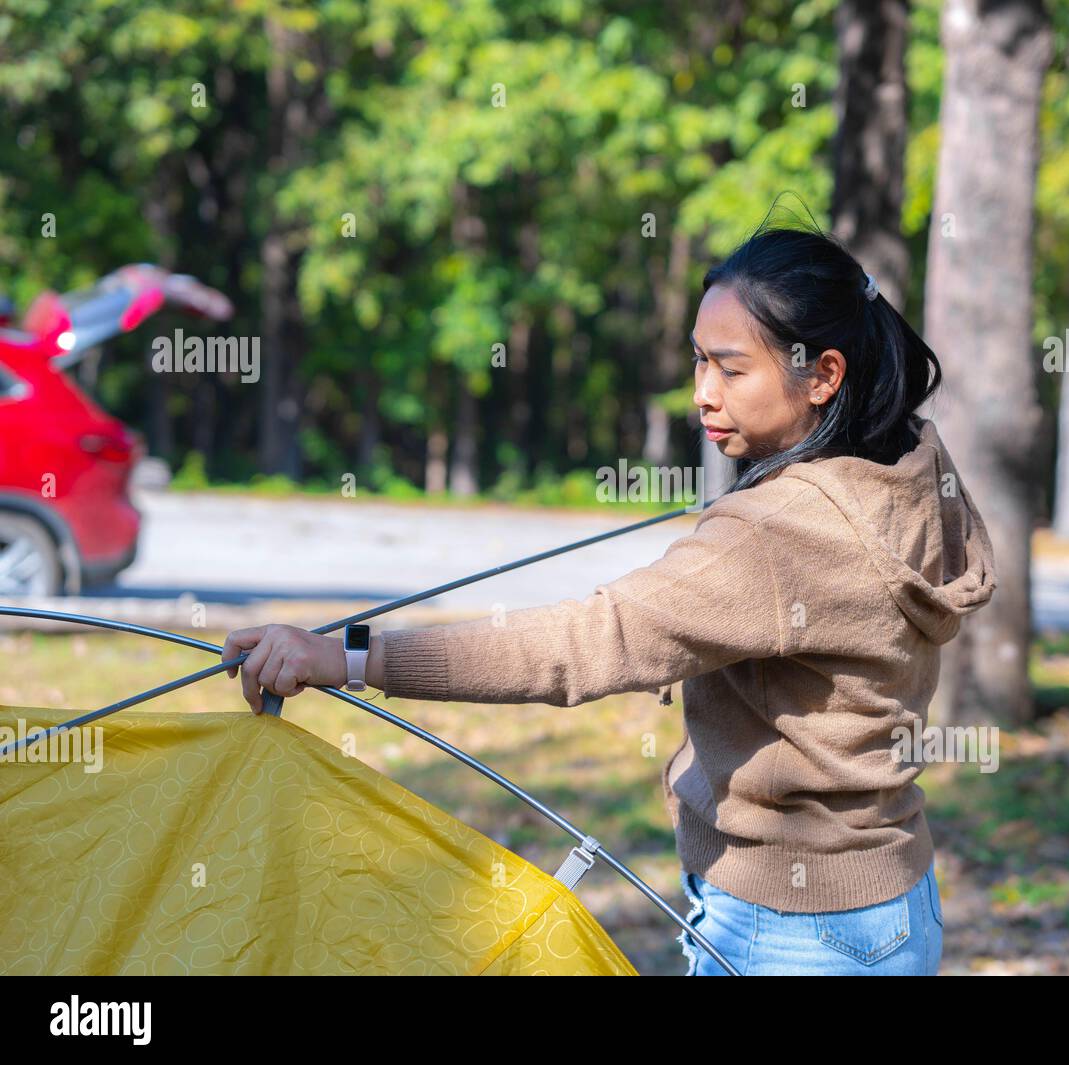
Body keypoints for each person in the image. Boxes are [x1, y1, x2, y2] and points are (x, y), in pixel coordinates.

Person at [223, 220, 996, 976]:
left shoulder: (777, 533)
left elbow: (582, 643)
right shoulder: (910, 460)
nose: (702, 393)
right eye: (698, 361)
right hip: (895, 909)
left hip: (790, 933)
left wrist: (348, 656)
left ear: (823, 374)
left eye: (731, 369)